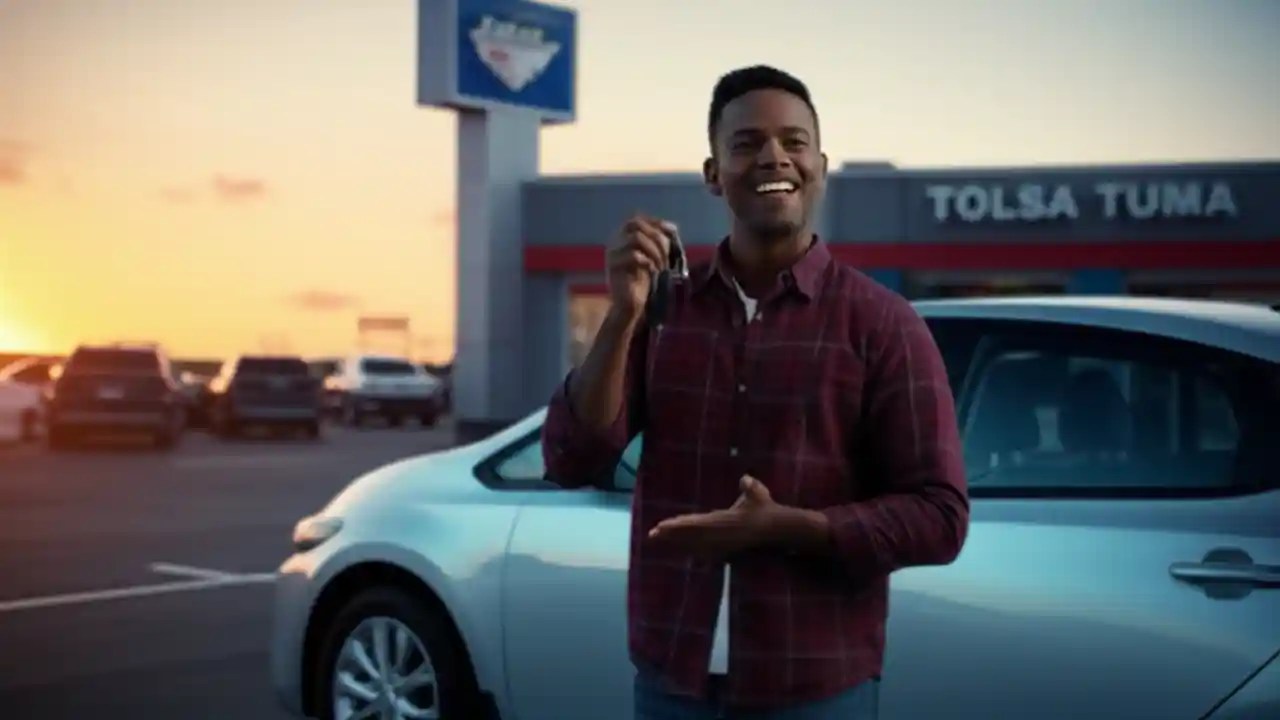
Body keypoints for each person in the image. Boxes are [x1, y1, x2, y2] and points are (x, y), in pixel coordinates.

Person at [542, 65, 970, 719]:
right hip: (670, 679)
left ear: (820, 165)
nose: (774, 156)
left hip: (819, 687)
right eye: (746, 144)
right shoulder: (665, 312)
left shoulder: (883, 323)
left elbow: (940, 517)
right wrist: (623, 312)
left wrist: (795, 530)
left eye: (794, 142)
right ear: (714, 173)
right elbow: (571, 457)